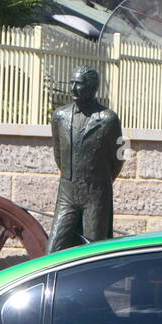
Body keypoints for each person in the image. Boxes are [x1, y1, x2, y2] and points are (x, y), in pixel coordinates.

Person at [47, 66, 123, 252]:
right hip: (67, 192)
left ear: (92, 88)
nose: (73, 88)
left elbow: (119, 157)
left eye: (79, 84)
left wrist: (96, 181)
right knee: (53, 249)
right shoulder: (60, 116)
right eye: (72, 83)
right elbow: (59, 156)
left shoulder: (108, 119)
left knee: (92, 251)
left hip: (95, 194)